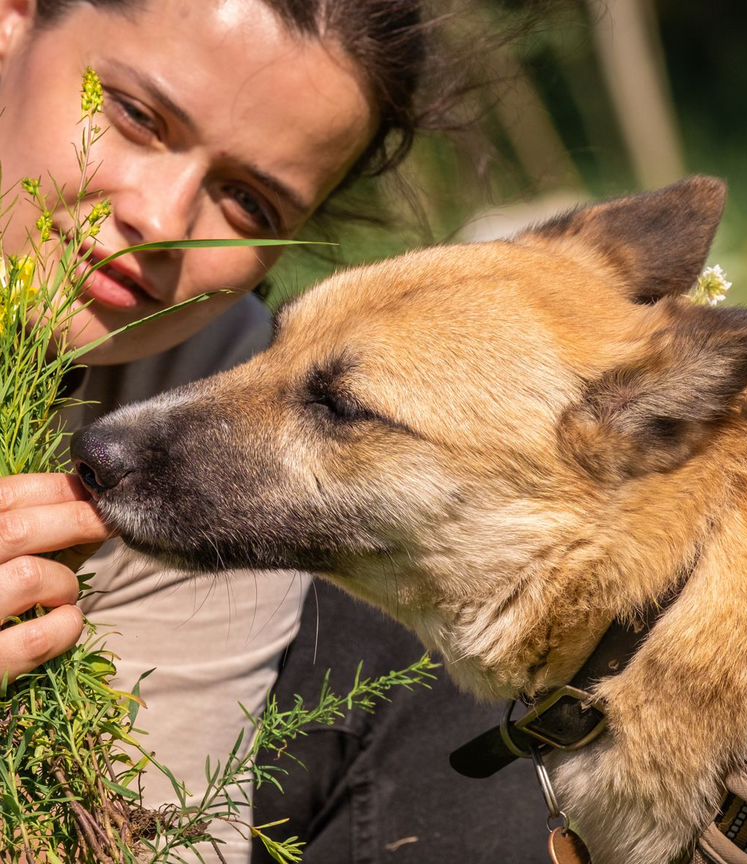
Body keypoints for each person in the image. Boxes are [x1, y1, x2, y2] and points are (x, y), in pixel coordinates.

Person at [0, 1, 549, 861]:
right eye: (137, 116)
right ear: (12, 19)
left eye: (248, 201)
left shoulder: (200, 390)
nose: (160, 220)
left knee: (424, 645)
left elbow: (148, 836)